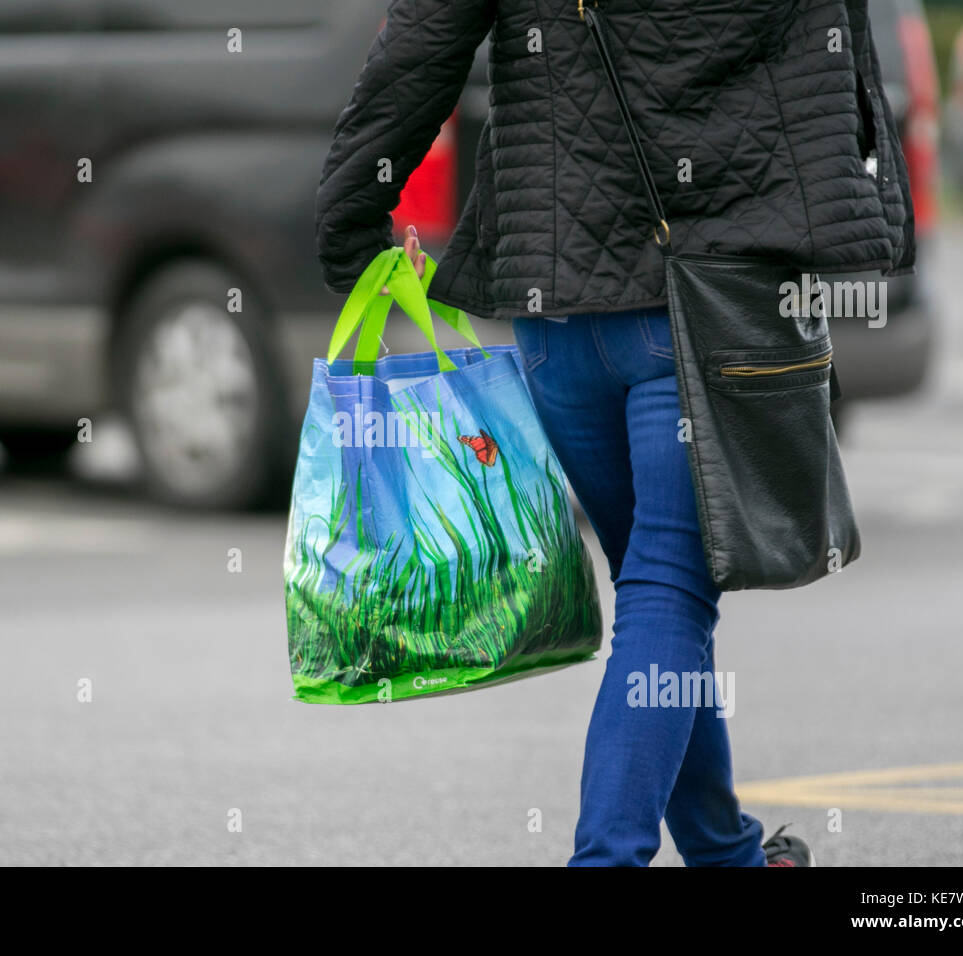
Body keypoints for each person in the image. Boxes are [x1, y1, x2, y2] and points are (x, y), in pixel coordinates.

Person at [315, 0, 914, 866]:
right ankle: (606, 859)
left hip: (556, 311)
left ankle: (726, 853)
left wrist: (350, 227)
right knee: (667, 592)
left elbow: (419, 47)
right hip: (714, 299)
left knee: (656, 590)